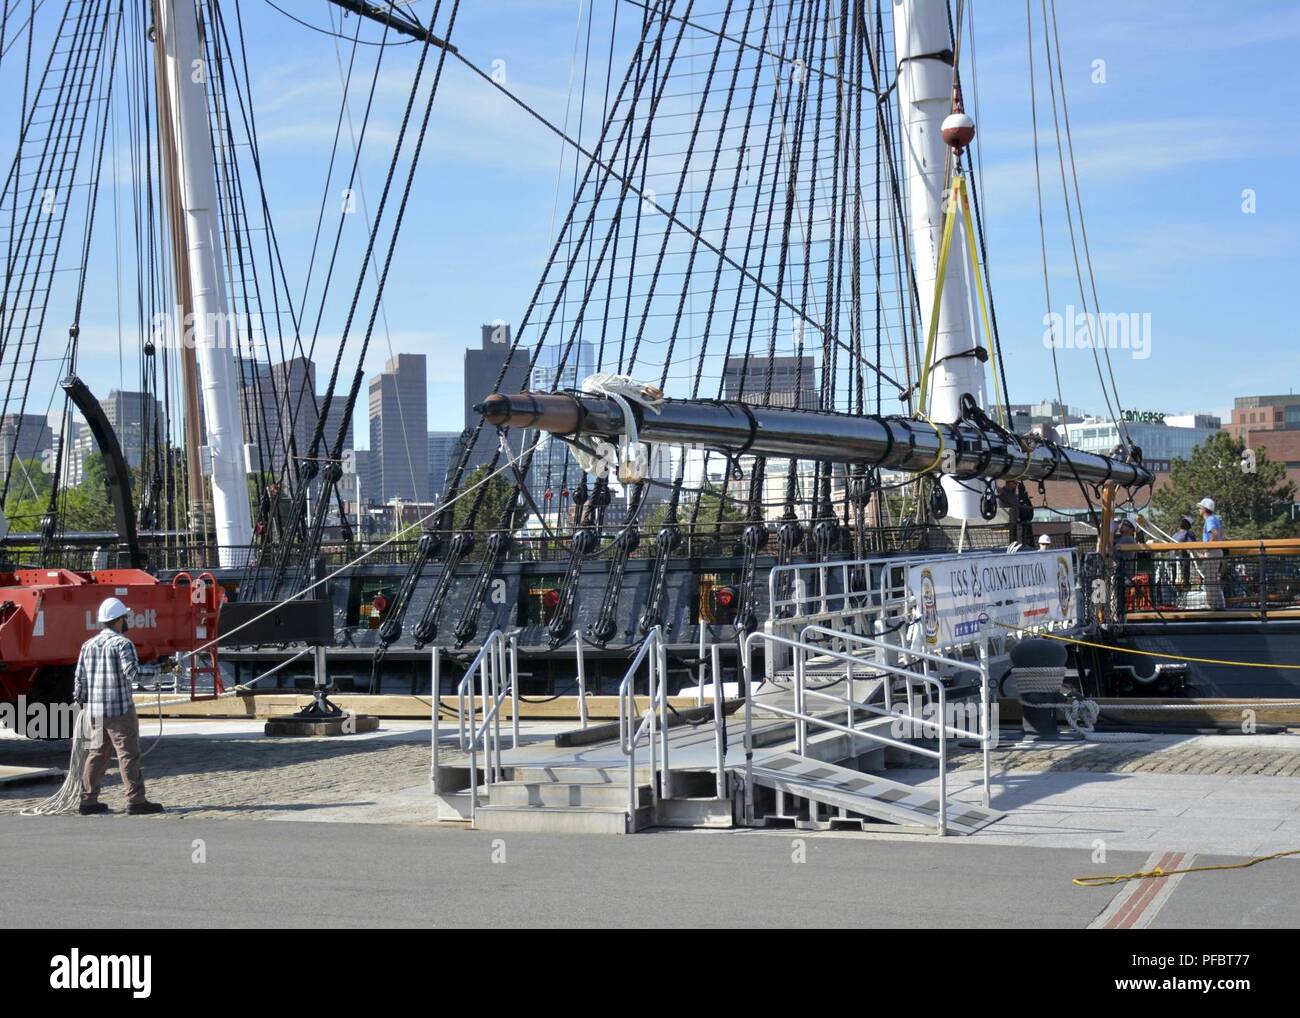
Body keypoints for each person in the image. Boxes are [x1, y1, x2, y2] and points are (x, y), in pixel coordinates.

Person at [74, 598, 164, 816]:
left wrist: (83, 705)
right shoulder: (123, 644)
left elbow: (79, 681)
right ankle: (136, 800)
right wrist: (158, 671)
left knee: (96, 754)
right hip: (120, 711)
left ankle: (88, 801)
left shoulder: (88, 645)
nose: (127, 621)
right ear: (118, 620)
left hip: (94, 712)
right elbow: (132, 673)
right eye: (125, 618)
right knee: (128, 755)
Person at [1196, 497, 1227, 608]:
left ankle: (1214, 606)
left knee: (1210, 581)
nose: (1199, 509)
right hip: (1214, 551)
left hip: (1212, 552)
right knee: (1212, 580)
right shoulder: (1213, 519)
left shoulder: (1210, 520)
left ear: (1204, 509)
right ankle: (1219, 605)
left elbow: (1214, 533)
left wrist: (1206, 549)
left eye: (1200, 507)